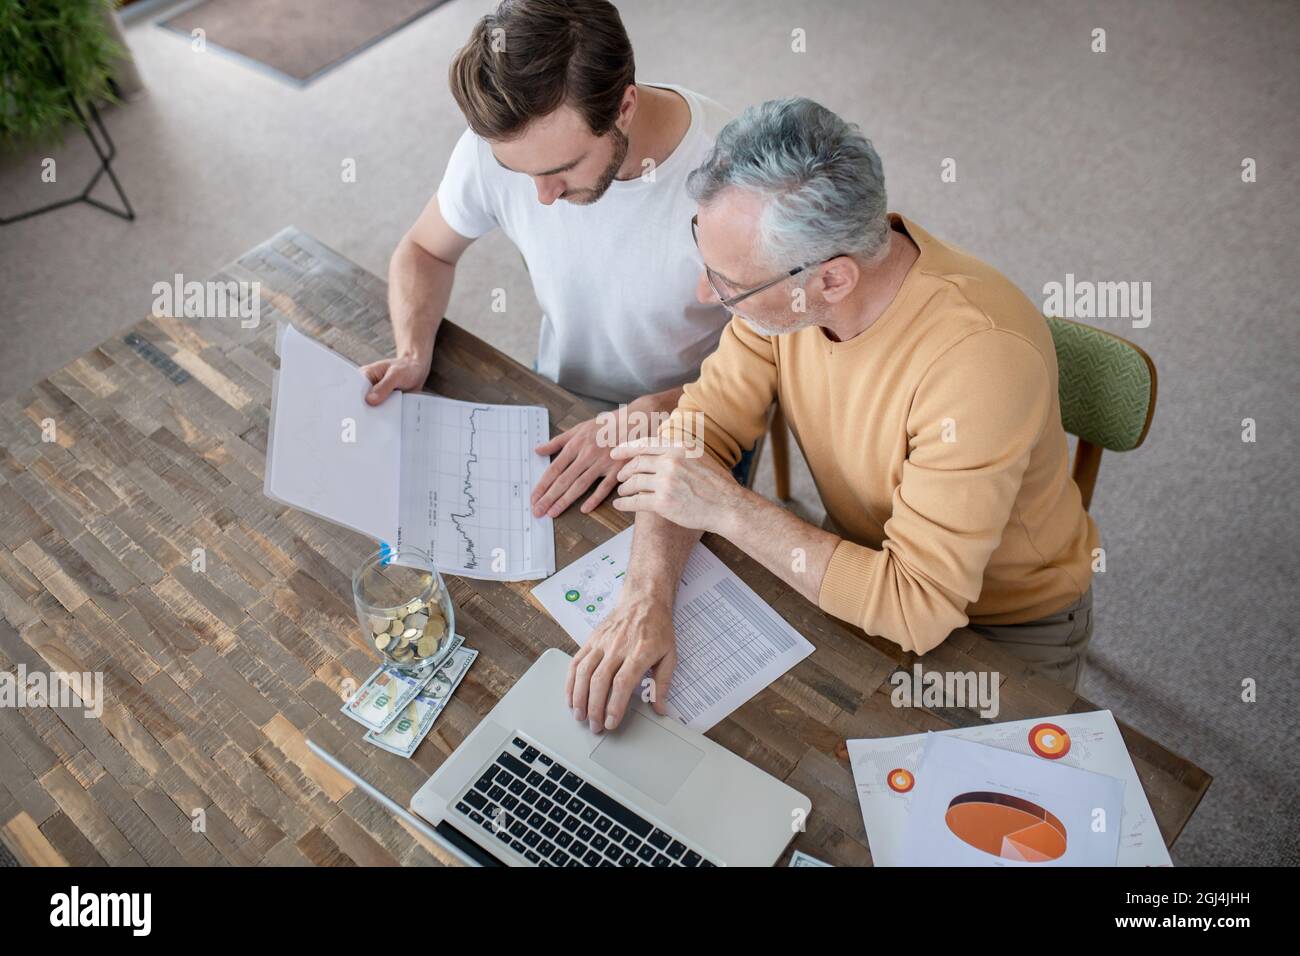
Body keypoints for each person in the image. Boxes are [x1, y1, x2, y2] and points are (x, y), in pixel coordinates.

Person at [566, 98, 1100, 734]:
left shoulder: (978, 365)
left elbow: (918, 606)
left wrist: (730, 508)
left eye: (729, 283)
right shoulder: (789, 292)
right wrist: (645, 597)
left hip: (1000, 624)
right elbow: (697, 437)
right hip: (855, 556)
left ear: (834, 281)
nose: (707, 295)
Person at [362, 0, 732, 517]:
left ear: (624, 107)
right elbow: (424, 250)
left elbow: (784, 363)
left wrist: (645, 415)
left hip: (695, 412)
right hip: (557, 390)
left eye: (563, 168)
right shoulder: (502, 145)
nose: (542, 196)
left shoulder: (732, 182)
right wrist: (411, 352)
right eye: (518, 171)